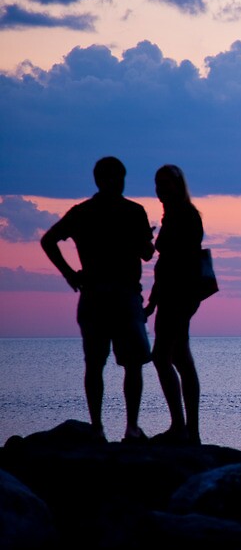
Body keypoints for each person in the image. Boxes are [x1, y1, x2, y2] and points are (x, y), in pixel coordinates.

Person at [40, 157, 155, 442]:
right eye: (117, 178)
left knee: (98, 364)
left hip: (97, 295)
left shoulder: (83, 212)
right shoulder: (132, 211)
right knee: (125, 364)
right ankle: (125, 427)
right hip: (121, 295)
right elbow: (147, 253)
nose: (118, 183)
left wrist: (69, 274)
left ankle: (102, 427)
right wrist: (69, 273)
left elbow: (48, 240)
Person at [144, 165, 204, 445]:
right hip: (172, 294)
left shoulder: (186, 216)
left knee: (162, 356)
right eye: (158, 184)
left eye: (166, 184)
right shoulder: (172, 216)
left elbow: (178, 261)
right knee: (180, 357)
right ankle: (188, 430)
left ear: (178, 185)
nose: (160, 189)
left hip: (178, 295)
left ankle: (182, 427)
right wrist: (153, 302)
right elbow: (163, 264)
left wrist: (161, 300)